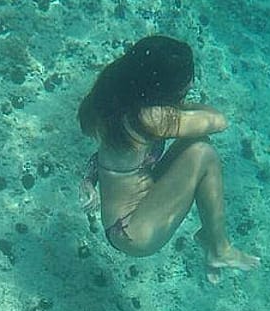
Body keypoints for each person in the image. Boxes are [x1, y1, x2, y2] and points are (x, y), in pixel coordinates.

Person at [78, 36, 260, 283]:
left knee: (198, 144)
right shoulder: (152, 118)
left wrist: (89, 179)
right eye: (186, 82)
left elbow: (109, 155)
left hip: (128, 218)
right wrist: (183, 105)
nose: (191, 84)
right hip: (134, 232)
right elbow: (218, 121)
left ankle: (212, 238)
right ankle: (219, 248)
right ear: (164, 87)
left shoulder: (115, 97)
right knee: (202, 151)